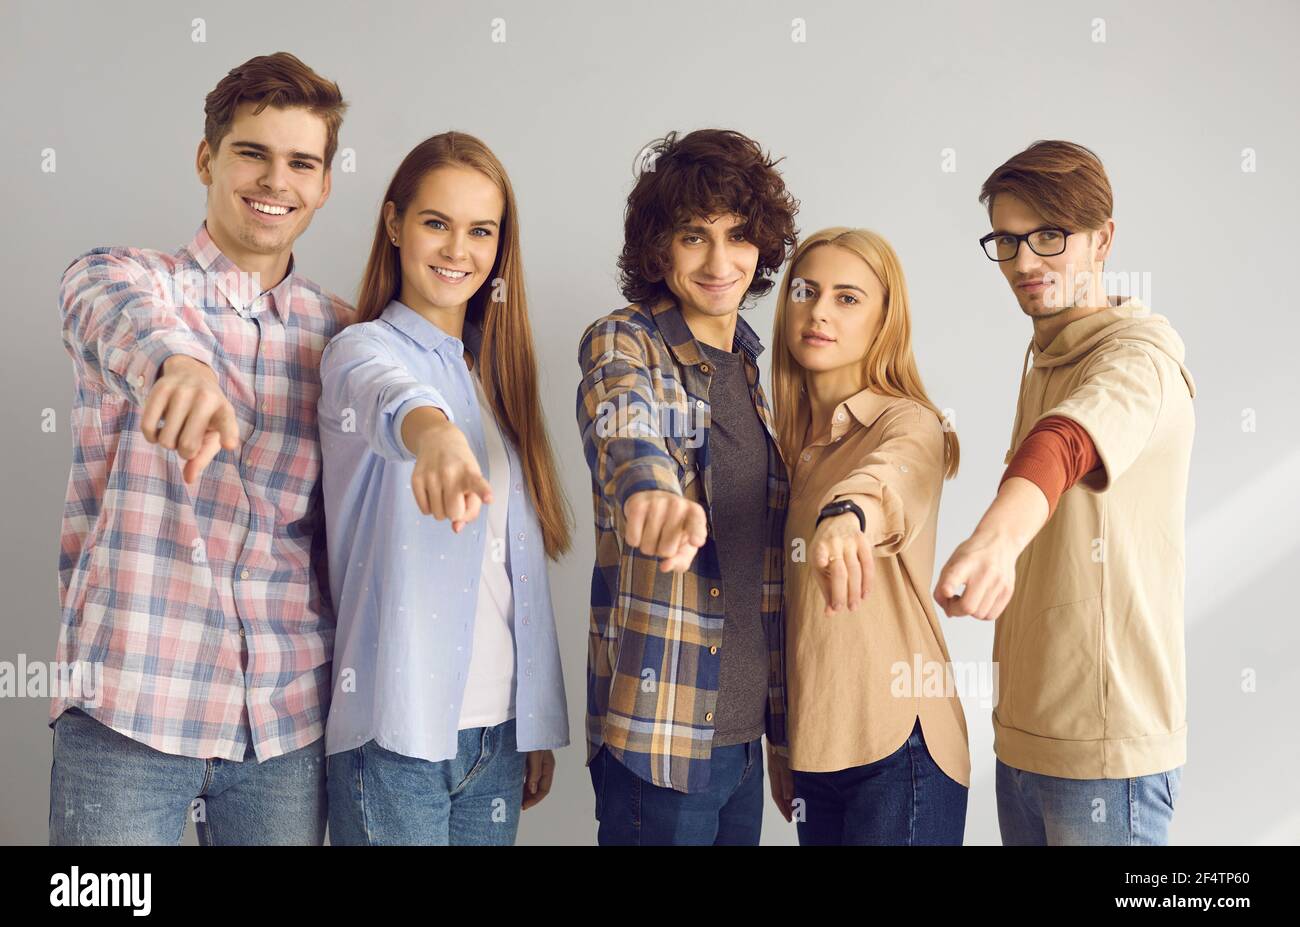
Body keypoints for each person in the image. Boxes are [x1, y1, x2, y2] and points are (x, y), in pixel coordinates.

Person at [49, 52, 352, 845]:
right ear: (207, 159)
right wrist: (176, 365)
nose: (274, 180)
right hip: (129, 708)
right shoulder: (131, 281)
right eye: (252, 152)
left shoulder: (345, 338)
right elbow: (96, 303)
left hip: (285, 724)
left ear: (323, 185)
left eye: (301, 163)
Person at [935, 140, 1195, 846]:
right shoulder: (1046, 358)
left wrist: (992, 542)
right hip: (1026, 742)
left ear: (1103, 238)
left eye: (1050, 237)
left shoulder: (1138, 358)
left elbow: (1066, 442)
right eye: (1008, 240)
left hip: (1106, 758)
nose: (1024, 261)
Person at [319, 132, 571, 845]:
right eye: (436, 223)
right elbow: (388, 398)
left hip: (496, 740)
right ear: (395, 224)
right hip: (396, 734)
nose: (458, 250)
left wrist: (532, 719)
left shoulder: (496, 381)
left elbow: (510, 573)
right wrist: (433, 435)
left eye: (480, 231)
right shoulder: (360, 349)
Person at [576, 129, 798, 845]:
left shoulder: (758, 373)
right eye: (694, 236)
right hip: (659, 742)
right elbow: (622, 421)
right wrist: (651, 493)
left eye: (738, 237)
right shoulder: (626, 340)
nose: (719, 261)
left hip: (742, 745)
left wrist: (782, 737)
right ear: (659, 246)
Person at [768, 227, 971, 845]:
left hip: (898, 746)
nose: (820, 311)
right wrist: (783, 743)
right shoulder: (784, 449)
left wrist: (846, 514)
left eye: (848, 298)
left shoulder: (910, 423)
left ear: (885, 319)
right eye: (806, 292)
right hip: (815, 750)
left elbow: (886, 481)